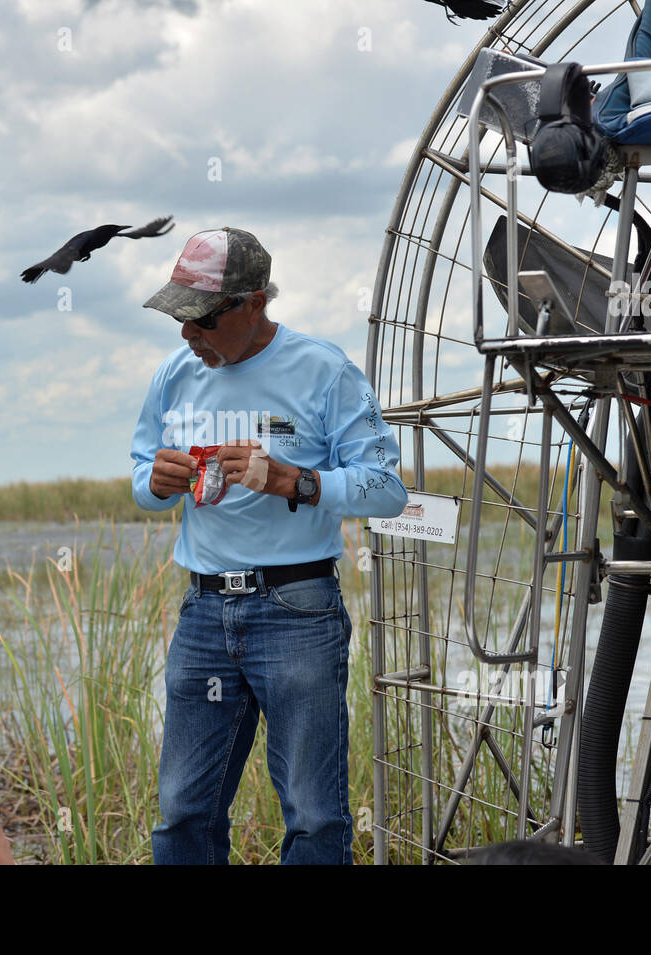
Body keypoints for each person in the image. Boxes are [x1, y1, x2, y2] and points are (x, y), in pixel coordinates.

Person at [132, 226, 407, 865]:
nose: (186, 334)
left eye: (199, 318)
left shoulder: (324, 370)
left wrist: (290, 479)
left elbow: (387, 490)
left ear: (254, 302)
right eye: (178, 316)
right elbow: (144, 483)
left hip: (297, 609)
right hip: (202, 614)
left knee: (313, 815)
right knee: (182, 811)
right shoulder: (174, 376)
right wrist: (155, 482)